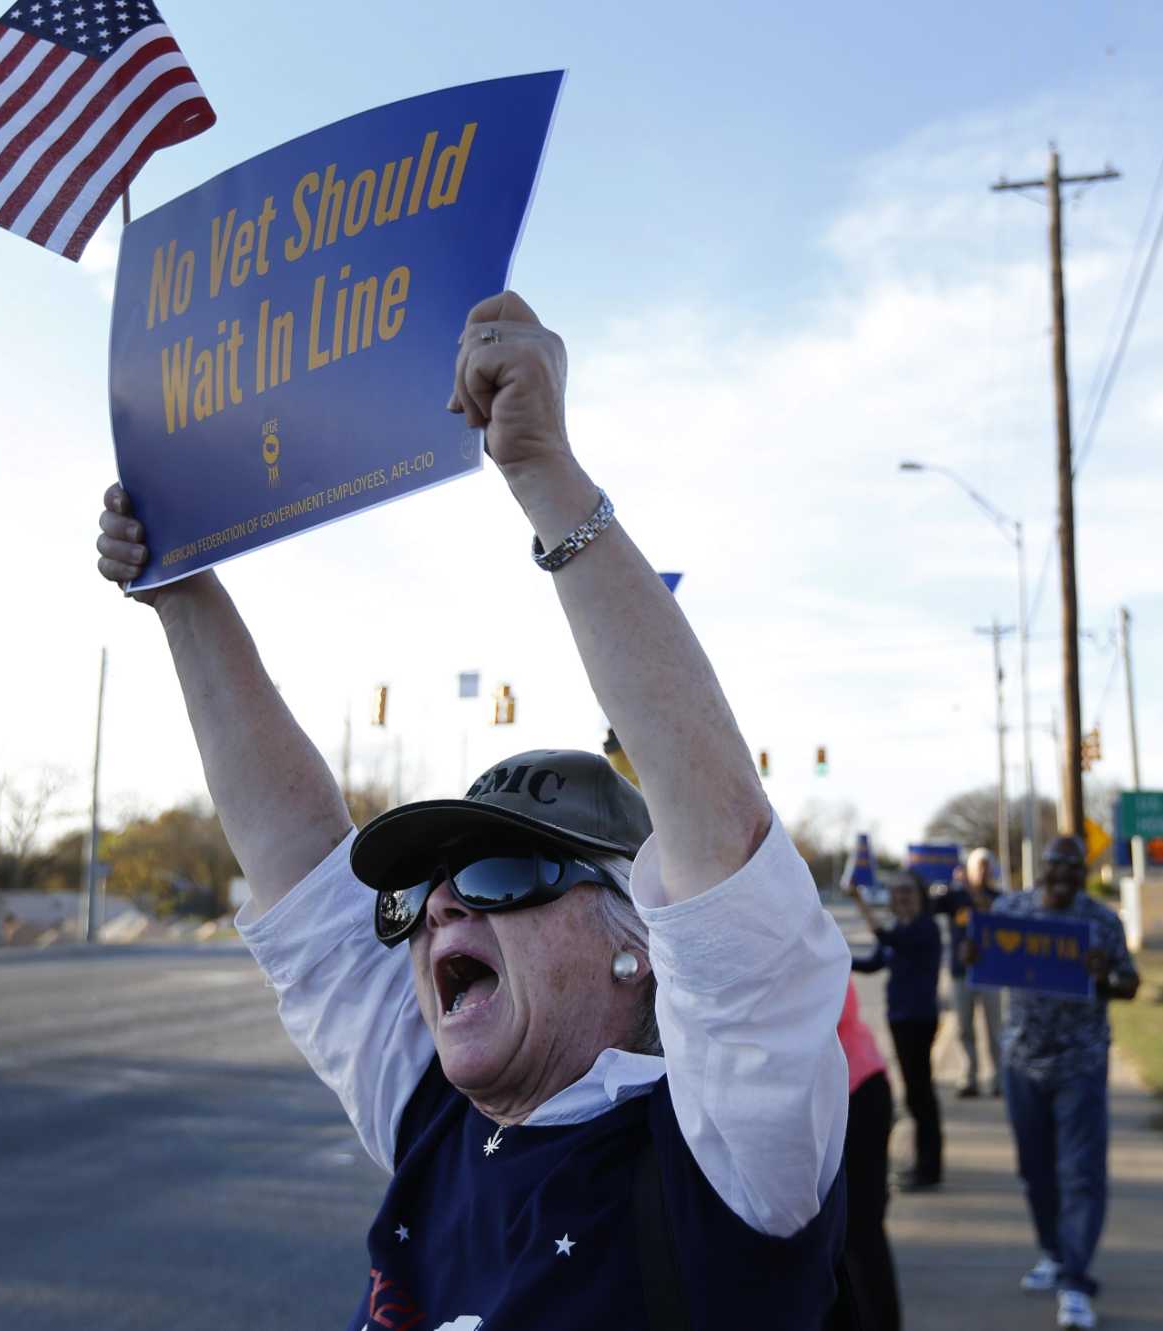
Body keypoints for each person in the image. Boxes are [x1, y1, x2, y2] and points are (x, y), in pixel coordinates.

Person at [92, 291, 850, 1327]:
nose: (444, 906)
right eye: (428, 888)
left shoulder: (731, 1144)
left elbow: (721, 839)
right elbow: (302, 856)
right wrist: (181, 586)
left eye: (499, 876)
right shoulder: (429, 1109)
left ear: (642, 939)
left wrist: (543, 475)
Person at [982, 835, 1140, 1331]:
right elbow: (981, 959)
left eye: (1072, 871)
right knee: (1035, 1169)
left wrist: (1105, 977)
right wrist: (971, 950)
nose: (1061, 879)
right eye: (1054, 868)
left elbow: (1129, 983)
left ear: (1083, 877)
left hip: (1081, 1063)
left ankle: (1076, 1281)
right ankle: (1053, 1253)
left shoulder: (1101, 921)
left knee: (1081, 1173)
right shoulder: (1013, 909)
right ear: (1041, 870)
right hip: (1022, 1060)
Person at [847, 875, 943, 1190]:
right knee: (915, 1093)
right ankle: (925, 1162)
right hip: (898, 1017)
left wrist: (860, 902)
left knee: (920, 1094)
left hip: (918, 1019)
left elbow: (888, 940)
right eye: (896, 891)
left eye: (907, 891)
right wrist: (837, 960)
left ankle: (929, 1168)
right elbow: (874, 962)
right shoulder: (900, 928)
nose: (901, 897)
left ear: (920, 895)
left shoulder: (924, 928)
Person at [826, 982, 900, 1331]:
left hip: (857, 1094)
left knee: (860, 1233)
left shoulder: (807, 940)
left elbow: (828, 1012)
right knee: (840, 1238)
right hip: (842, 1096)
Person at [927, 847, 1005, 1098]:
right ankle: (968, 1076)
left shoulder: (998, 897)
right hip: (961, 973)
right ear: (968, 869)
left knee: (995, 1029)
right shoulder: (955, 897)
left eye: (986, 866)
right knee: (964, 1029)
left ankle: (998, 1079)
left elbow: (994, 912)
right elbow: (928, 906)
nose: (982, 871)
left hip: (991, 973)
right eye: (977, 866)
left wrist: (971, 890)